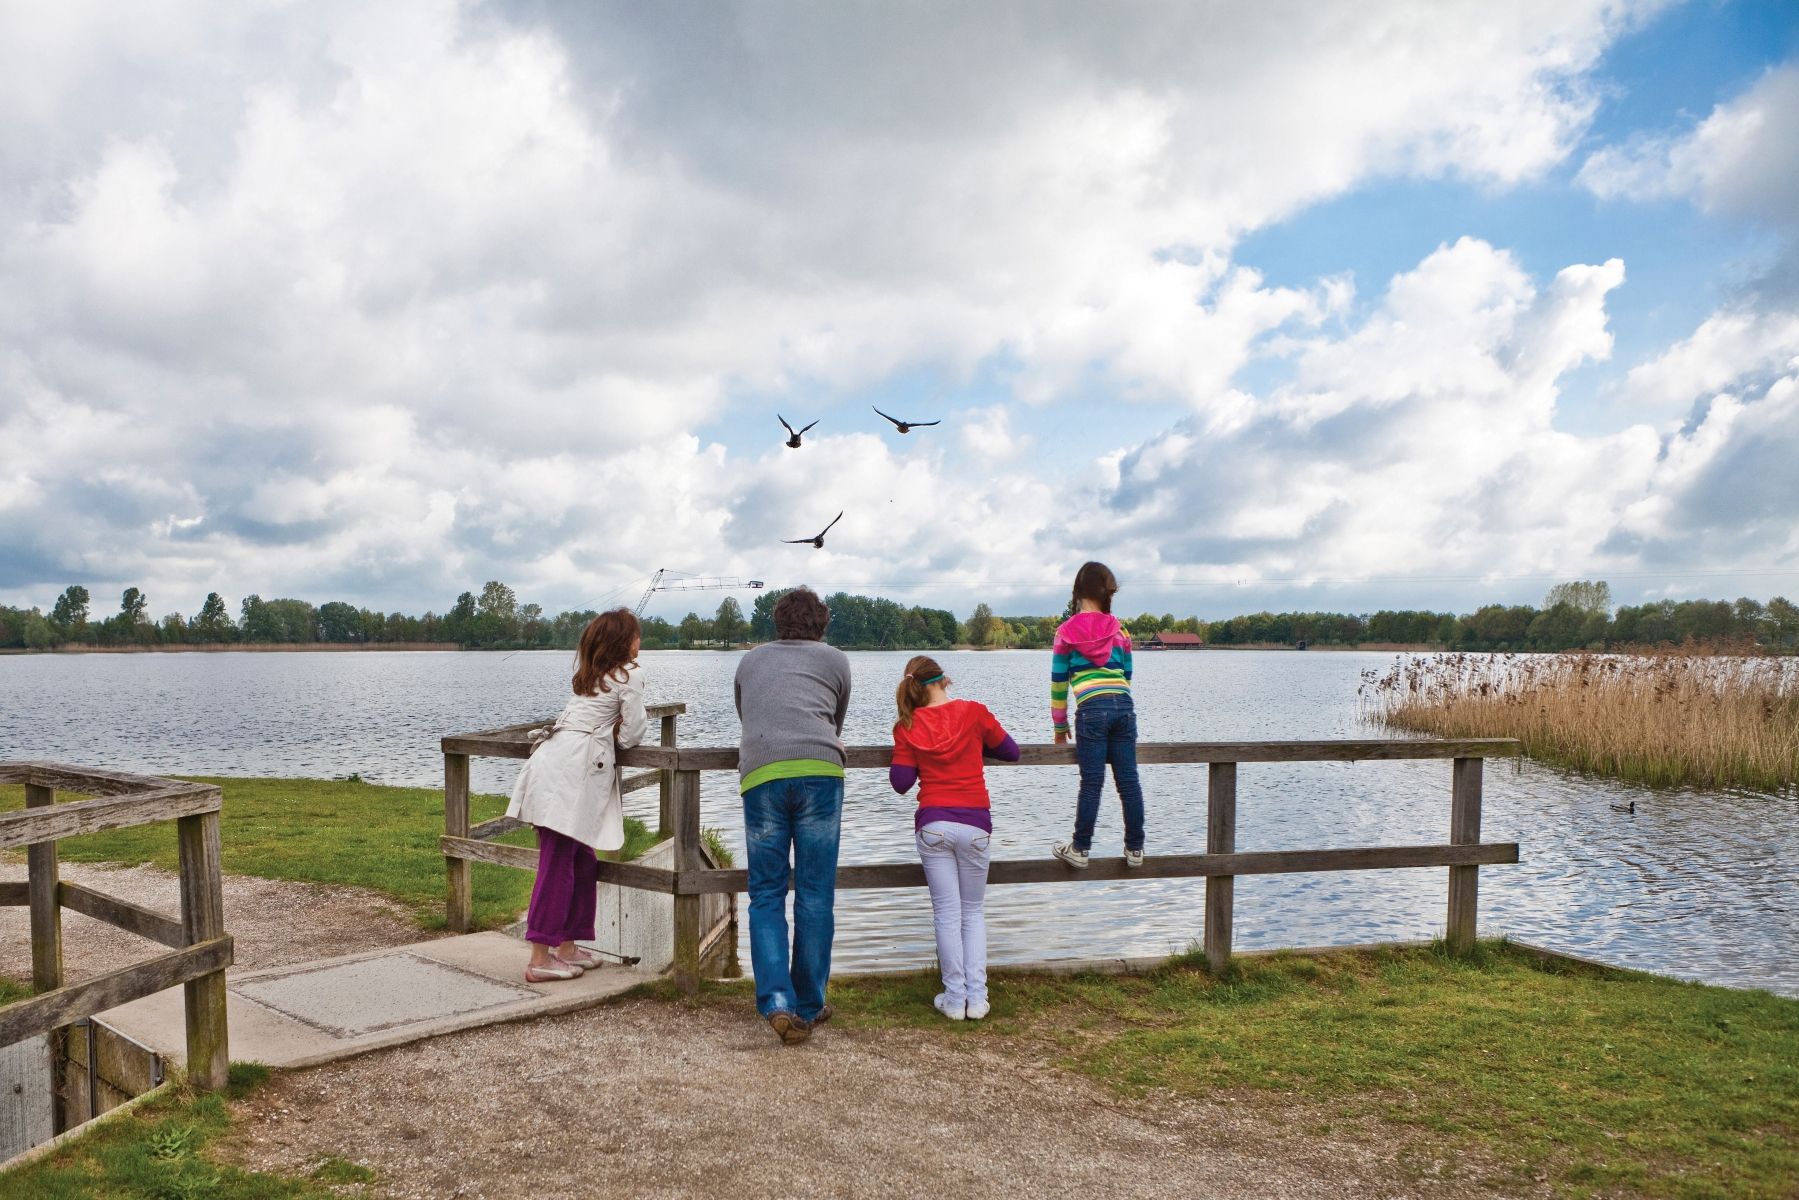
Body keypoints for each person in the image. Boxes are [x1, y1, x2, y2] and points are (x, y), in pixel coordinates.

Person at [734, 587, 852, 1044]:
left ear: (777, 623)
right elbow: (836, 718)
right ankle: (809, 1002)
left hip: (762, 773)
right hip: (821, 772)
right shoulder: (835, 660)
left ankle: (777, 1002)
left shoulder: (749, 661)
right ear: (820, 625)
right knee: (815, 892)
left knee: (765, 893)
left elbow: (746, 713)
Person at [506, 608, 646, 982]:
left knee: (581, 859)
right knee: (558, 863)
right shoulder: (629, 676)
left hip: (553, 768)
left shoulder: (590, 677)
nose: (639, 642)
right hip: (572, 777)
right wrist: (615, 730)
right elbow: (633, 735)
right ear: (623, 642)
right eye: (636, 635)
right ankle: (539, 956)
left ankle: (566, 945)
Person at [889, 655, 1018, 1021]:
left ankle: (953, 998)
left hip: (933, 826)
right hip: (976, 824)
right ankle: (977, 1000)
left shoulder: (908, 726)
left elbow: (900, 783)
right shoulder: (974, 714)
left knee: (947, 914)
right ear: (944, 680)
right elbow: (1011, 751)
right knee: (972, 912)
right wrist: (976, 745)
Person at [1050, 561, 1145, 869]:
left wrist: (1059, 726)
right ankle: (1135, 849)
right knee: (1128, 780)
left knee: (1092, 782)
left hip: (1091, 710)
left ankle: (1080, 848)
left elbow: (1059, 683)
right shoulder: (1120, 630)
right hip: (1123, 706)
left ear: (1077, 592)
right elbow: (1127, 675)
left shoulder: (1065, 633)